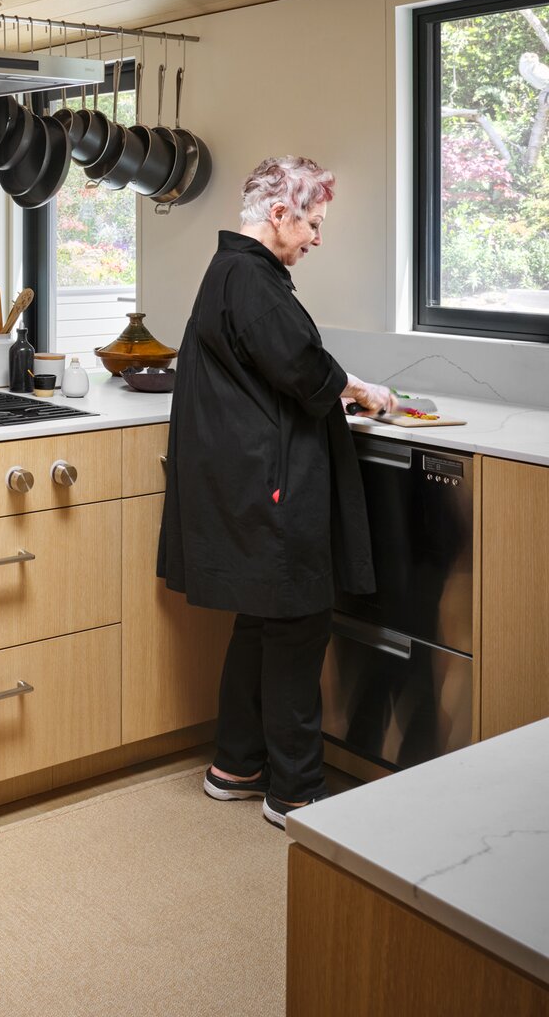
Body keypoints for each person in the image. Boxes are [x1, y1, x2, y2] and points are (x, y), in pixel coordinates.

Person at [156, 156, 395, 829]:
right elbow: (302, 366)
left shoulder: (233, 272)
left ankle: (235, 765)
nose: (317, 238)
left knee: (260, 621)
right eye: (313, 224)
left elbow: (280, 367)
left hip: (246, 479)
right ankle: (296, 791)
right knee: (295, 622)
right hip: (271, 483)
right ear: (279, 214)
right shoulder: (254, 281)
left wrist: (339, 386)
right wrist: (361, 390)